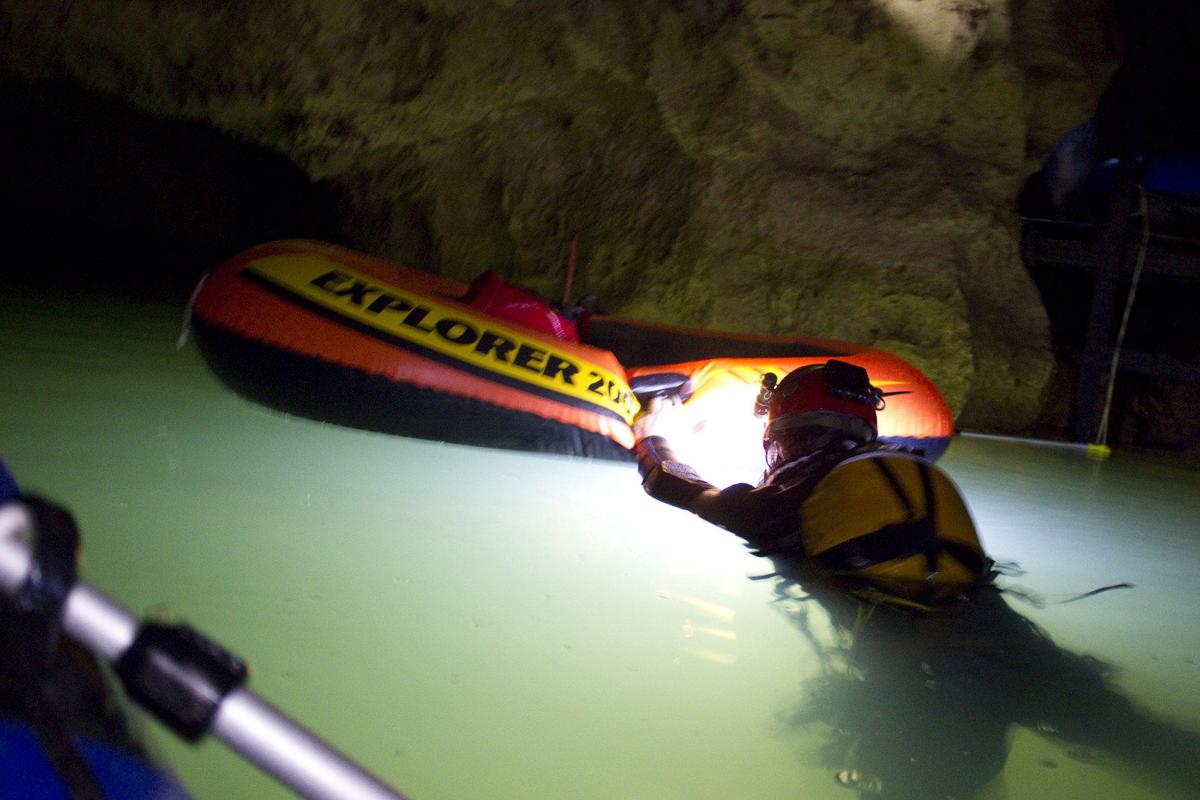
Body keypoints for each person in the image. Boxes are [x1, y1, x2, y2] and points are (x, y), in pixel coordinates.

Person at [633, 359, 992, 608]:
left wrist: (653, 439)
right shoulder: (909, 466)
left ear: (779, 439)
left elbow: (673, 485)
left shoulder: (799, 498)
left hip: (897, 620)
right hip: (971, 608)